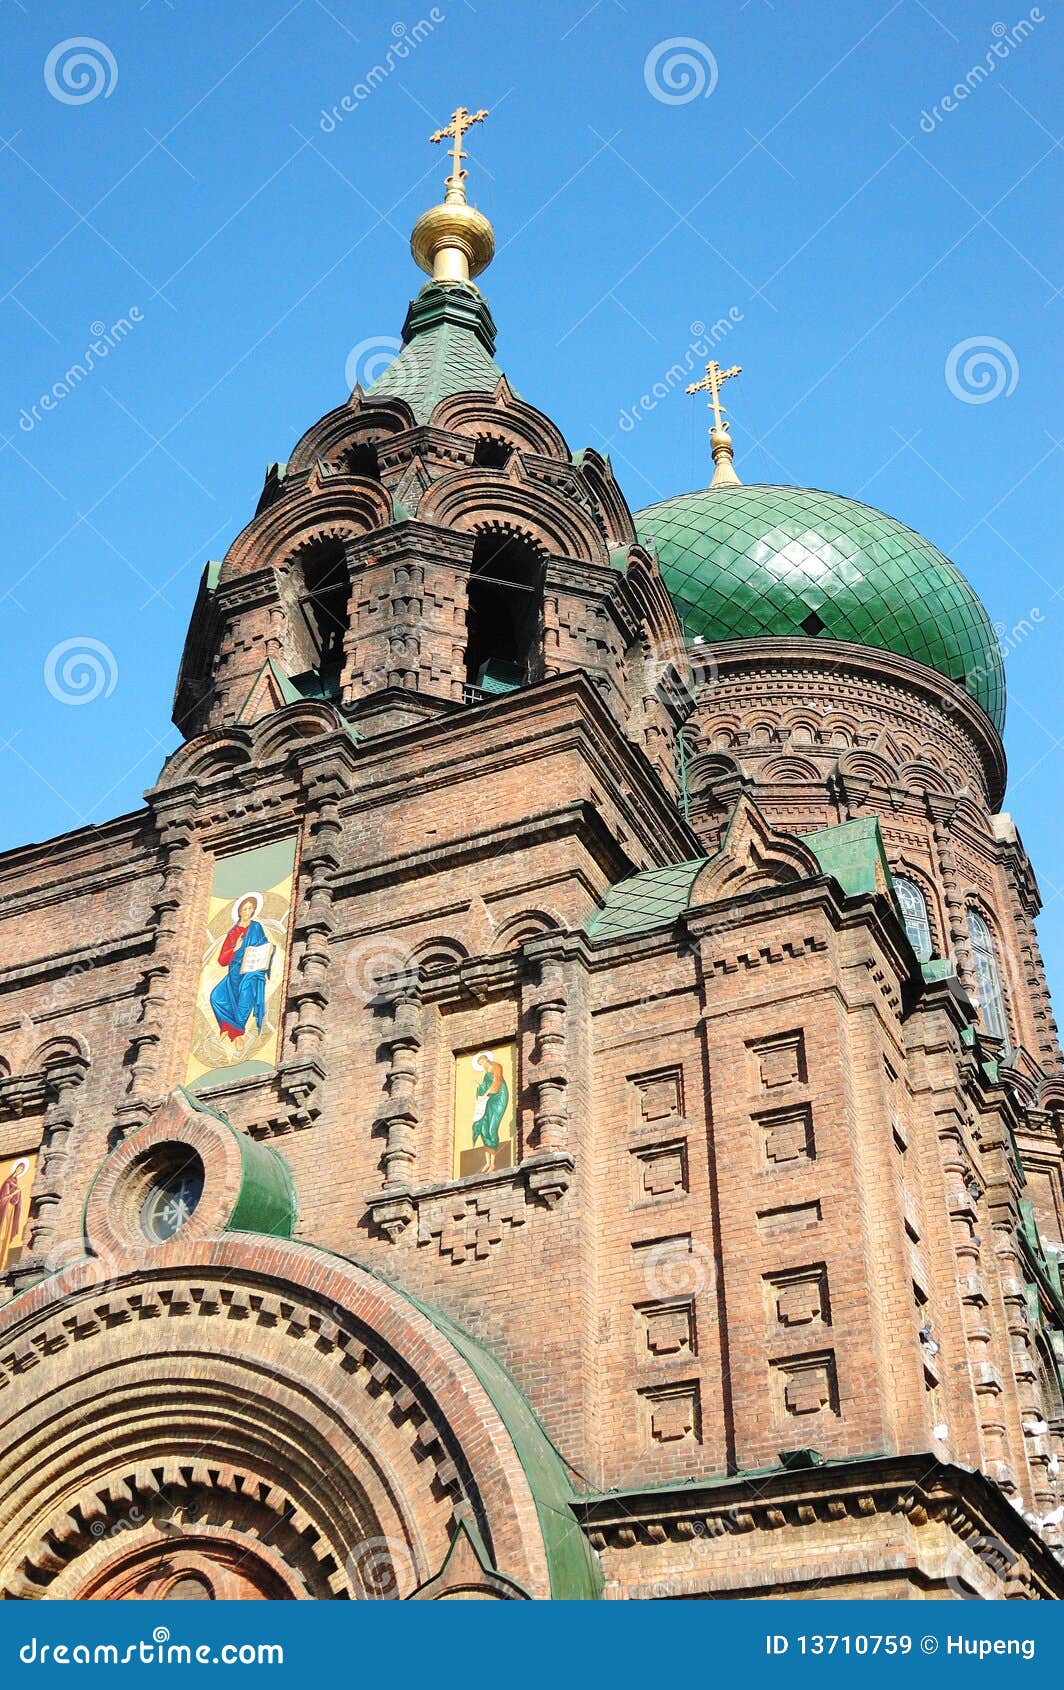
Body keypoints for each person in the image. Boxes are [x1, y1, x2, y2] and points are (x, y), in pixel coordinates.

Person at [209, 894, 272, 1046]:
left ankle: (237, 1032)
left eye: (250, 908)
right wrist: (234, 949)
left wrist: (269, 951)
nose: (248, 911)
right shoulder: (233, 933)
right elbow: (222, 960)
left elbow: (264, 945)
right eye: (245, 908)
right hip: (234, 972)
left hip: (251, 970)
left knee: (246, 995)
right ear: (239, 911)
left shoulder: (256, 927)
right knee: (216, 997)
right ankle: (227, 1027)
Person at [471, 1051, 509, 1168]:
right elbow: (485, 1087)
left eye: (483, 1062)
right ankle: (488, 1163)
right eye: (480, 1064)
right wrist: (480, 1087)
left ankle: (493, 1163)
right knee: (483, 1126)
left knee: (492, 1127)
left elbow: (497, 1083)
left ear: (487, 1060)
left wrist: (486, 1093)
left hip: (498, 1098)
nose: (483, 1066)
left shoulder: (496, 1066)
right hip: (488, 1099)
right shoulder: (486, 1073)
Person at [0, 1157, 28, 1271]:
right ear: (16, 1168)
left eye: (22, 1170)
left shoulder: (16, 1182)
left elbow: (17, 1201)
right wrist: (15, 1192)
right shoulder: (7, 1182)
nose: (20, 1171)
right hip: (5, 1212)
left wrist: (17, 1193)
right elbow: (2, 1199)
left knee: (7, 1235)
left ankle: (4, 1260)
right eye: (19, 1168)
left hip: (11, 1211)